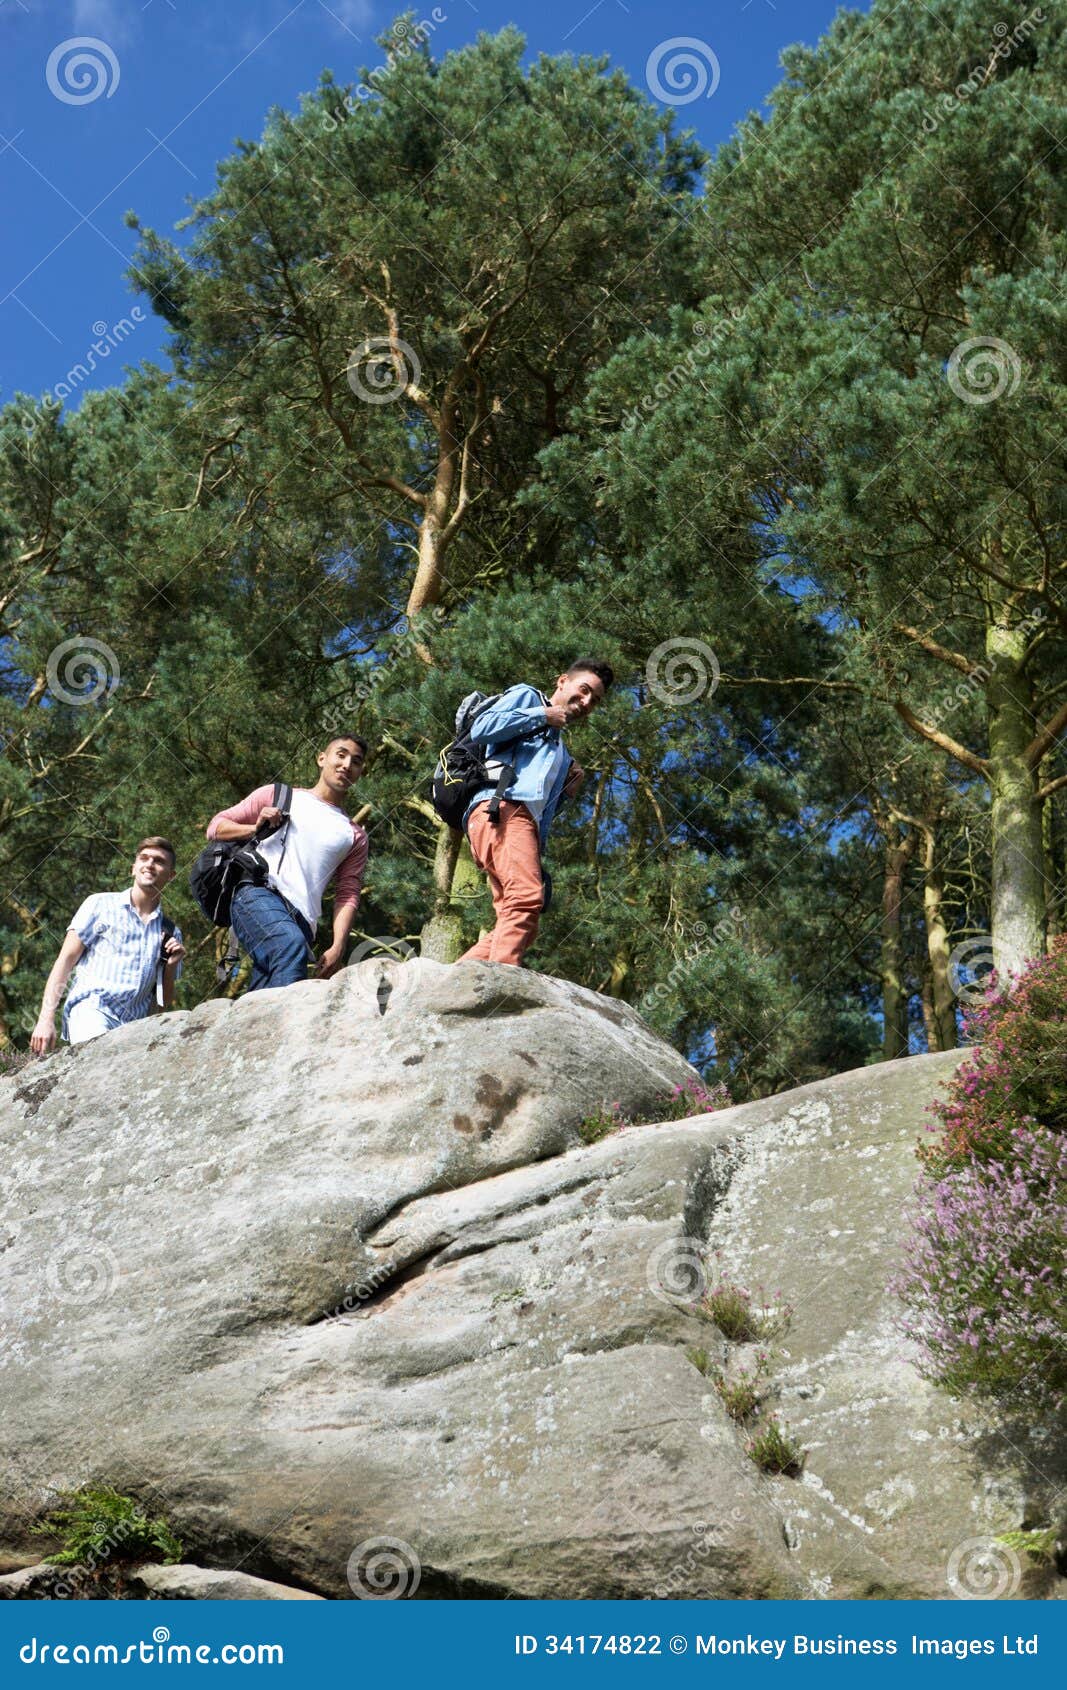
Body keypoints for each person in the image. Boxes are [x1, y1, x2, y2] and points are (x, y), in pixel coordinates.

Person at [458, 659, 613, 967]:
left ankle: (450, 985)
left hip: (519, 823)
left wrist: (567, 789)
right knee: (526, 899)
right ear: (562, 681)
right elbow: (482, 728)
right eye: (583, 691)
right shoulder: (529, 697)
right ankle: (497, 990)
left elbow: (541, 810)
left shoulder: (561, 750)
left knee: (518, 923)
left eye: (594, 701)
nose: (585, 703)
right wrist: (542, 715)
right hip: (501, 811)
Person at [206, 734, 369, 992]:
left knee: (267, 989)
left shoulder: (354, 835)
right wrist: (253, 828)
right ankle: (283, 1032)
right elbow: (215, 827)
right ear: (321, 758)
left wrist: (338, 945)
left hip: (304, 920)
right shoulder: (279, 795)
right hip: (257, 894)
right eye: (341, 754)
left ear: (360, 772)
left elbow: (347, 894)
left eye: (356, 761)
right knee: (289, 948)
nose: (347, 764)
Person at [30, 837, 185, 1053]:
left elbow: (163, 1002)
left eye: (159, 861)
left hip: (134, 1028)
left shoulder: (170, 932)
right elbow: (65, 961)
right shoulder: (99, 904)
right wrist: (45, 1019)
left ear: (171, 875)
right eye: (144, 858)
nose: (149, 864)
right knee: (97, 1064)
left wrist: (170, 966)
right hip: (92, 1010)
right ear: (133, 868)